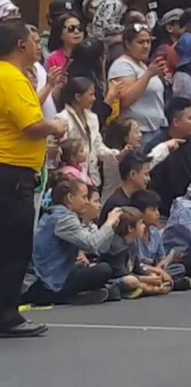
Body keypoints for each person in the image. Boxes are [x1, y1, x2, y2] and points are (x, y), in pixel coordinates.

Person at [0, 19, 68, 337]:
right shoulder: (10, 77)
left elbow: (21, 114)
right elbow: (31, 125)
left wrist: (47, 90)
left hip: (12, 171)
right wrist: (56, 127)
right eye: (32, 38)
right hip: (11, 171)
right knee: (14, 246)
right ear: (20, 45)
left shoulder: (14, 77)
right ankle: (7, 315)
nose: (37, 43)